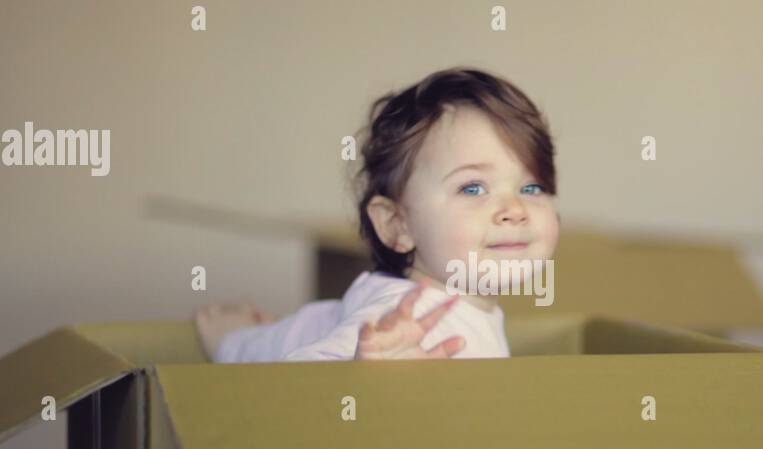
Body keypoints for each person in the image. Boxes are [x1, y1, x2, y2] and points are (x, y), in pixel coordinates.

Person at [195, 67, 560, 362]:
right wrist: (366, 377)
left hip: (278, 337)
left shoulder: (454, 308)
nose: (514, 210)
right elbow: (299, 390)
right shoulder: (405, 321)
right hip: (248, 366)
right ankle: (237, 342)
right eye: (472, 188)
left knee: (279, 335)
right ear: (396, 224)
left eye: (531, 188)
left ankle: (245, 340)